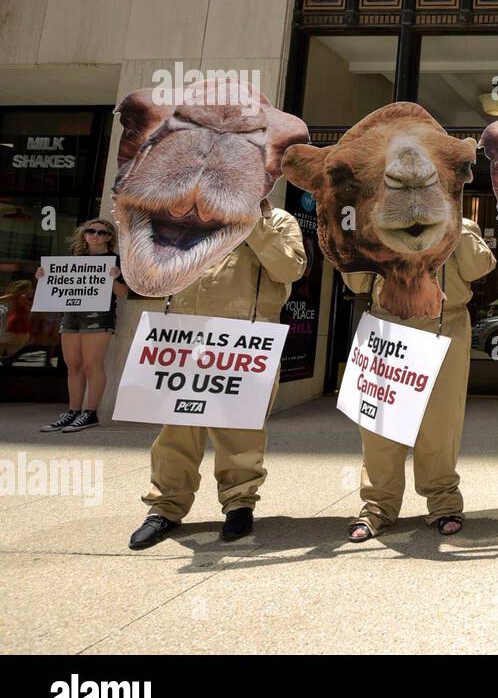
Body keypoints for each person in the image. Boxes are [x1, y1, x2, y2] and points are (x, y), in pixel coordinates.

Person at [128, 201, 305, 550]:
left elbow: (289, 269)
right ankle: (165, 506)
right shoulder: (185, 217)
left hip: (244, 341)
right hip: (184, 335)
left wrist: (253, 223)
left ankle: (239, 503)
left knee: (241, 431)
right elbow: (149, 270)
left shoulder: (278, 220)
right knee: (176, 430)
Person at [343, 218, 496, 541]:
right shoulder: (377, 222)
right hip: (387, 330)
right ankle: (377, 507)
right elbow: (356, 283)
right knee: (379, 429)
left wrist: (454, 224)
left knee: (440, 427)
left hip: (444, 330)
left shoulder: (461, 223)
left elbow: (480, 267)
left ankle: (443, 504)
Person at [37, 218, 129, 434]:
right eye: (91, 231)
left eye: (102, 232)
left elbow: (123, 293)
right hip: (71, 316)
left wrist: (113, 278)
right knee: (73, 365)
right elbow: (56, 287)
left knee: (91, 365)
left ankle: (90, 413)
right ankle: (73, 411)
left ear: (109, 238)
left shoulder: (114, 260)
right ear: (84, 234)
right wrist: (43, 276)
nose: (95, 235)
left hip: (98, 316)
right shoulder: (74, 260)